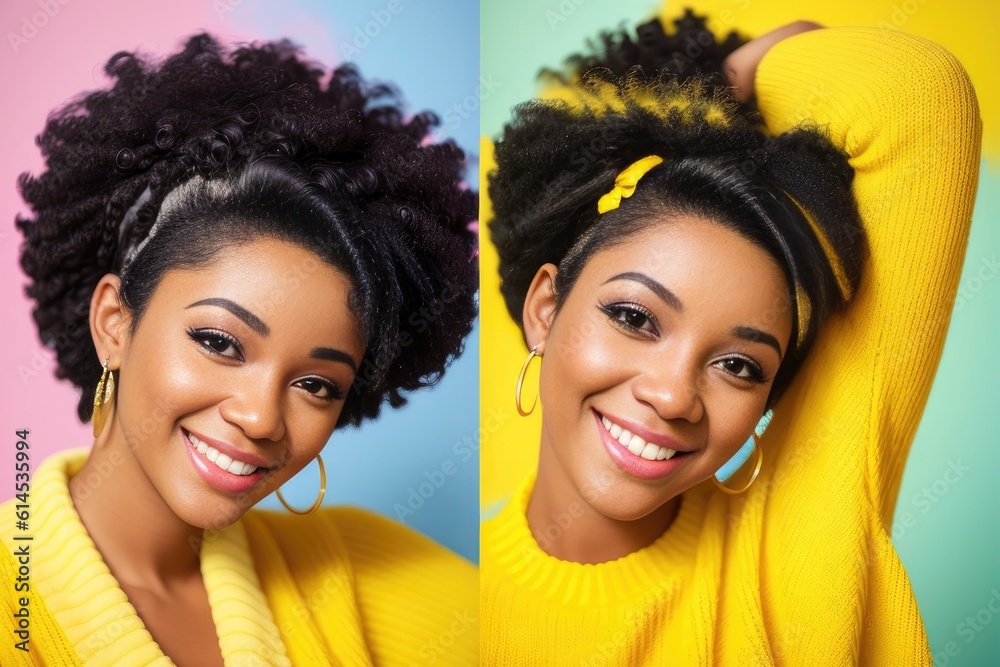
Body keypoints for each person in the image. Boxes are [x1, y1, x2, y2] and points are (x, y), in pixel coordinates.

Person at [482, 12, 980, 665]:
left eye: (740, 364)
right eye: (635, 317)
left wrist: (734, 76)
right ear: (544, 309)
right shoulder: (446, 599)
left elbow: (920, 99)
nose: (672, 395)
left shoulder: (796, 540)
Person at [1, 34, 478, 666]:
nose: (260, 417)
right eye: (221, 343)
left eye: (316, 384)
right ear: (116, 322)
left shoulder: (375, 578)